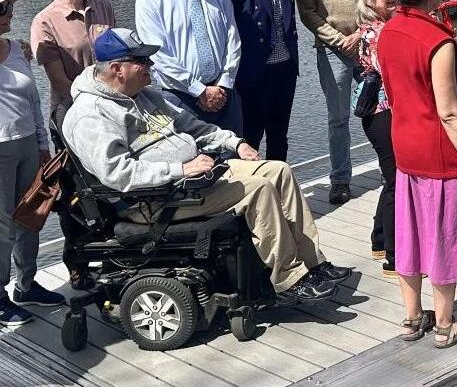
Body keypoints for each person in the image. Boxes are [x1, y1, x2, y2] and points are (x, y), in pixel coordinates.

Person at [61, 28, 350, 302]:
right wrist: (181, 171)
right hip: (155, 199)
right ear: (117, 68)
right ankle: (288, 279)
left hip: (195, 179)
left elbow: (194, 126)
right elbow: (117, 173)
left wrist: (235, 144)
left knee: (279, 171)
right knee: (258, 189)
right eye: (141, 60)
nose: (150, 64)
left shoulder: (146, 94)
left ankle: (313, 264)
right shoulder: (90, 115)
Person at [376, 0, 457, 349]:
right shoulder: (437, 41)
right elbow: (449, 111)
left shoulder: (388, 31)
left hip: (404, 145)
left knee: (410, 233)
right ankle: (444, 324)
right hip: (438, 152)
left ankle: (410, 318)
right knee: (443, 235)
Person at [294, 0, 371, 205]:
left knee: (381, 107)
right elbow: (308, 13)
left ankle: (392, 165)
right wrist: (340, 40)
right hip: (332, 50)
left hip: (365, 44)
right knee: (338, 117)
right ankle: (340, 179)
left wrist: (363, 33)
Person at [0, 0, 66, 327]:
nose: (9, 13)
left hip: (26, 142)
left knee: (29, 216)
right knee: (1, 226)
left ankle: (26, 284)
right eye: (2, 9)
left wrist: (42, 144)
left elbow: (33, 102)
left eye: (9, 7)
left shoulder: (18, 52)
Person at [135, 0, 243, 133]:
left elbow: (233, 39)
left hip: (225, 95)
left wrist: (223, 84)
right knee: (193, 162)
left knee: (236, 159)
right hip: (180, 99)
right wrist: (199, 90)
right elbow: (158, 56)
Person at [223, 0, 299, 161]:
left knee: (280, 135)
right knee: (251, 135)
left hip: (285, 67)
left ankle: (280, 189)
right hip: (255, 72)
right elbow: (228, 26)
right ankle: (253, 192)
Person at [30, 0, 117, 134]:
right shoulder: (44, 21)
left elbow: (118, 59)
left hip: (114, 106)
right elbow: (58, 80)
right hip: (72, 112)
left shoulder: (104, 8)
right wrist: (95, 103)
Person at [350, 0, 399, 277]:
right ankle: (396, 257)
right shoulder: (376, 32)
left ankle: (380, 239)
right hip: (382, 114)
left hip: (380, 113)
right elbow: (392, 73)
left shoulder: (378, 26)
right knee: (397, 180)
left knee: (390, 176)